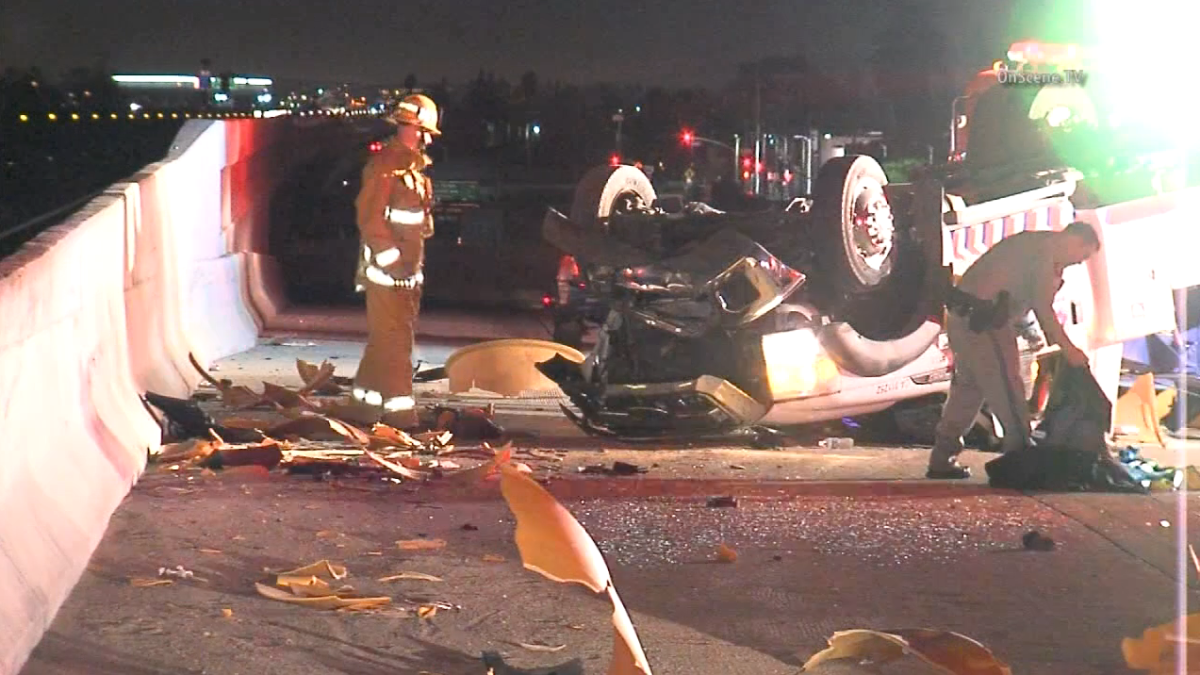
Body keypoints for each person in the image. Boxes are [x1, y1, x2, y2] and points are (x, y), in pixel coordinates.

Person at [927, 221, 1101, 479]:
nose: (1080, 262)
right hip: (984, 323)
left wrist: (1032, 332)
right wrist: (1069, 349)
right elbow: (1043, 306)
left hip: (963, 318)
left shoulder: (1033, 244)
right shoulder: (1044, 252)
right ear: (1073, 240)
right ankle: (1022, 456)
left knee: (967, 390)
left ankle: (942, 458)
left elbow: (1019, 294)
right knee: (1007, 387)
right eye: (1083, 254)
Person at [347, 94, 441, 430]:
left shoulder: (415, 169)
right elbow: (370, 220)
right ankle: (403, 416)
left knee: (384, 341)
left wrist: (412, 269)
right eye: (423, 131)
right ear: (408, 128)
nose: (427, 138)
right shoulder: (385, 166)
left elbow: (416, 225)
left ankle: (364, 408)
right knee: (397, 343)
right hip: (388, 276)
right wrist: (395, 263)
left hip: (406, 274)